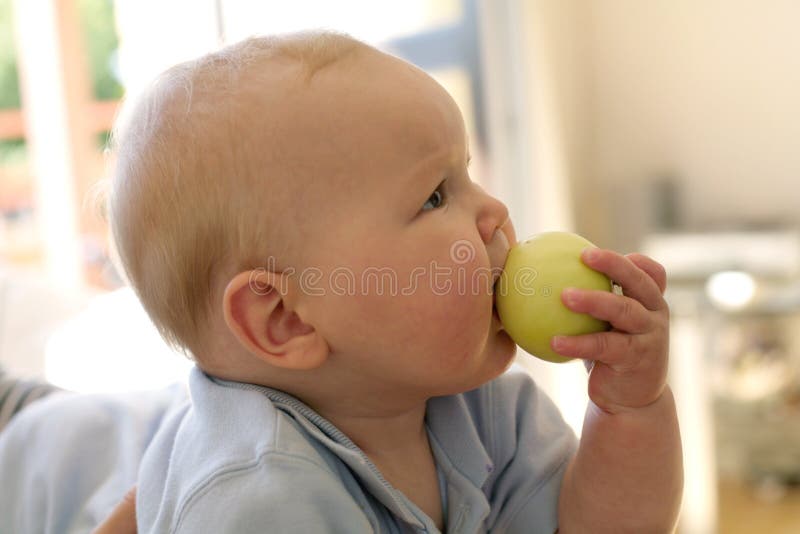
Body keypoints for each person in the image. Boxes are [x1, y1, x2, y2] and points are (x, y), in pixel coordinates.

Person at [0, 30, 682, 533]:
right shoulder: (256, 501)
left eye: (465, 174)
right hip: (46, 469)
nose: (494, 212)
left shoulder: (486, 411)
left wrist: (631, 411)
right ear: (286, 319)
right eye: (436, 198)